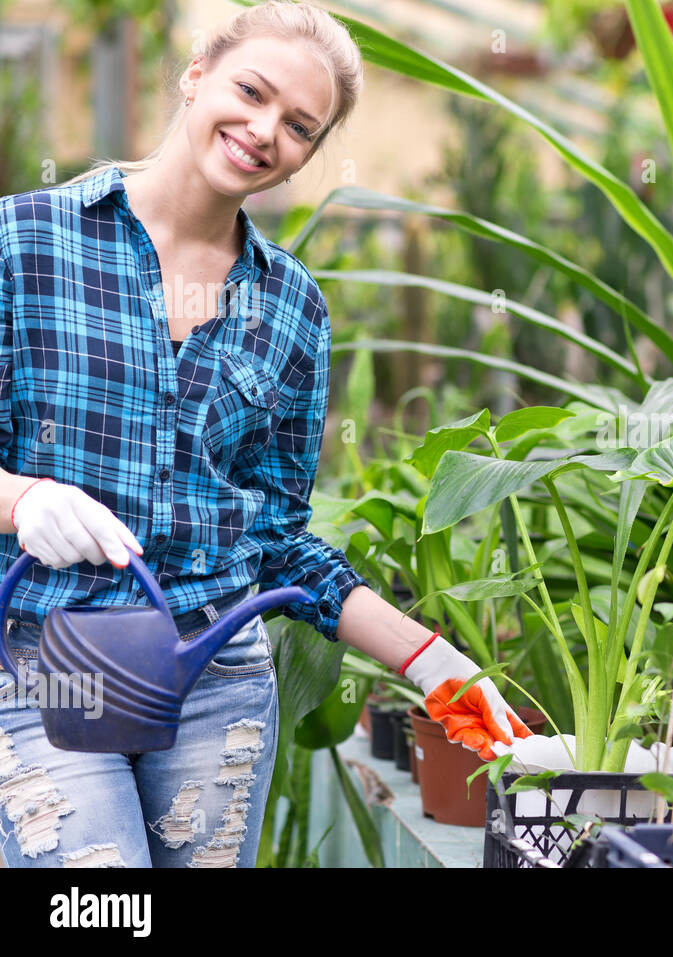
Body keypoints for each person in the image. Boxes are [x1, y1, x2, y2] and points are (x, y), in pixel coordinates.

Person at [0, 0, 524, 869]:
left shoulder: (290, 307)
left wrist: (434, 662)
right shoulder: (24, 243)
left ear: (306, 158)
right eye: (252, 90)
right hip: (46, 669)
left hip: (216, 687)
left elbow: (277, 543)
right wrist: (24, 499)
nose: (263, 130)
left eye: (299, 126)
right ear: (198, 71)